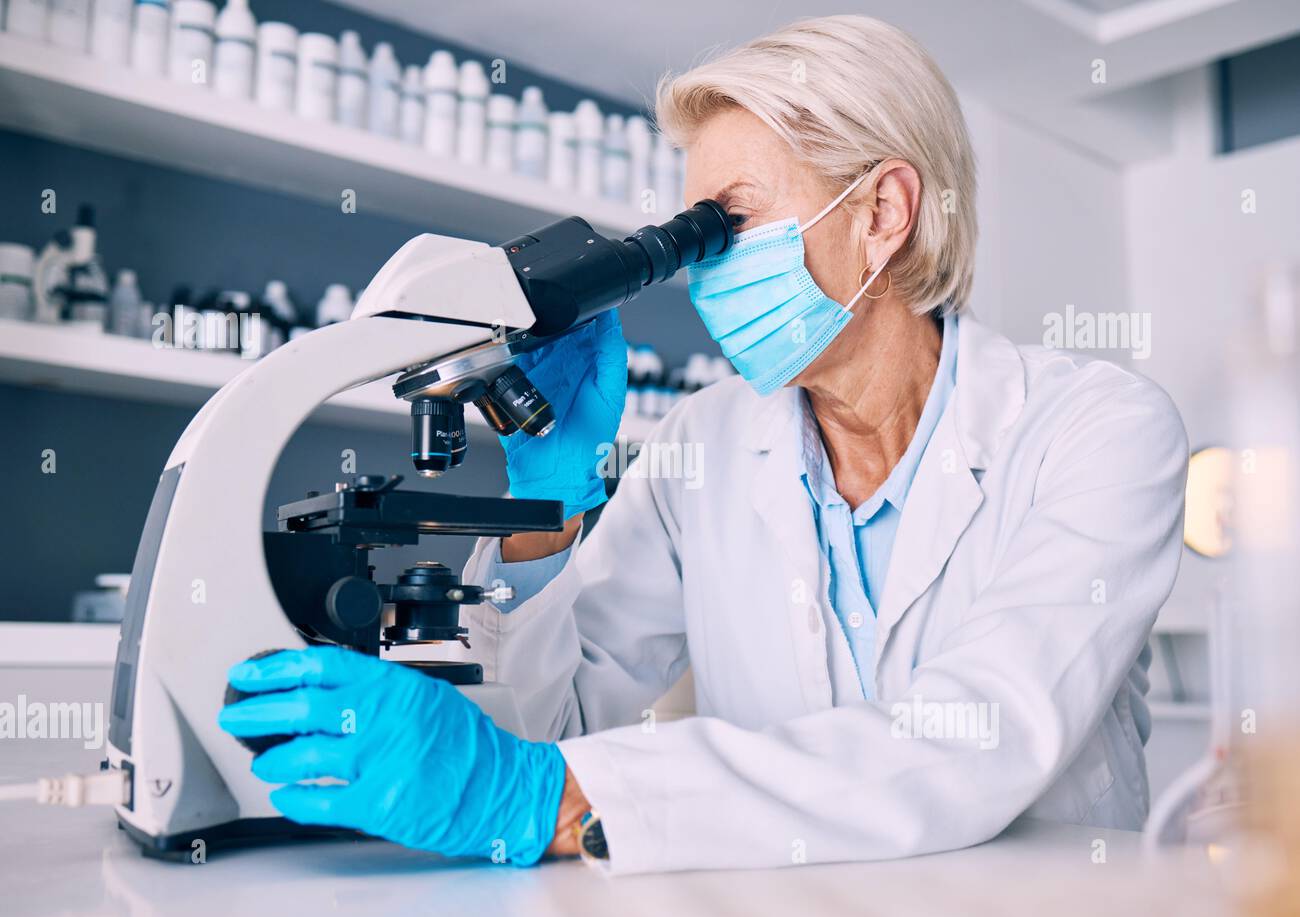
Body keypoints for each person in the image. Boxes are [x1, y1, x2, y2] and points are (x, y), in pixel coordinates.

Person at [220, 15, 1188, 874]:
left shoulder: (1094, 431)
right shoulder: (707, 441)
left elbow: (978, 737)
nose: (702, 272)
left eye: (728, 223)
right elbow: (555, 727)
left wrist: (538, 800)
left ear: (883, 213)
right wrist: (546, 512)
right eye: (693, 238)